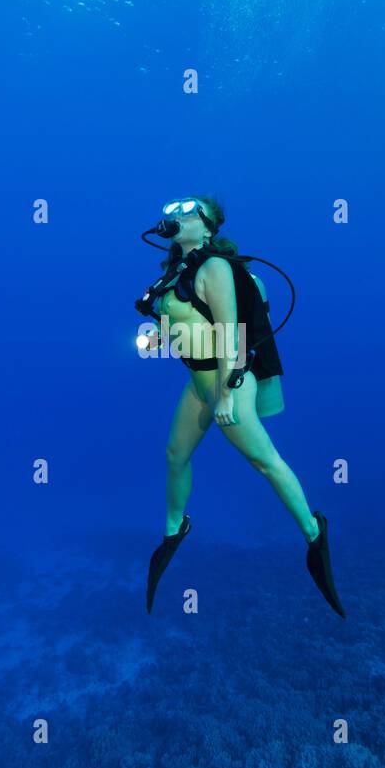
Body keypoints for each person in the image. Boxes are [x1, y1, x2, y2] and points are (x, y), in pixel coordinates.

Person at [137, 195, 345, 618]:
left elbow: (231, 331)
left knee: (264, 461)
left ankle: (314, 533)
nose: (175, 216)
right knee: (175, 455)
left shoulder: (214, 267)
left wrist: (228, 394)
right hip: (197, 381)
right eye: (172, 211)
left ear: (208, 226)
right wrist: (157, 339)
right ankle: (175, 529)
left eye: (187, 212)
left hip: (224, 381)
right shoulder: (177, 269)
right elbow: (182, 319)